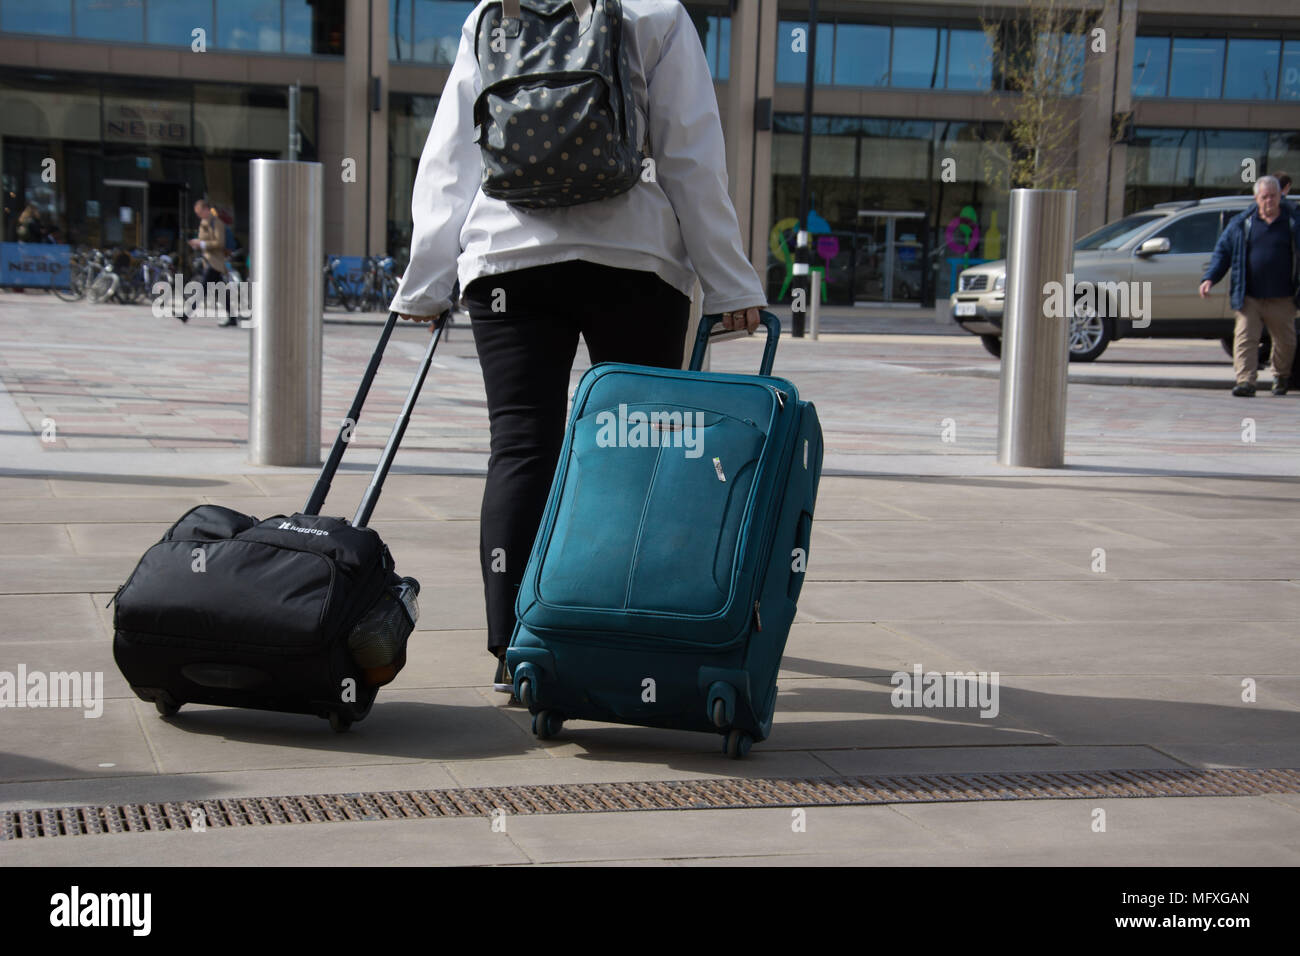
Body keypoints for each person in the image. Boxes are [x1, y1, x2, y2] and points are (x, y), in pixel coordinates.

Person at [389, 0, 767, 698]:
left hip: (508, 260)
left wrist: (425, 284)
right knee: (640, 454)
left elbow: (451, 155)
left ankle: (513, 648)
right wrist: (727, 281)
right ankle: (625, 634)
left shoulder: (493, 12)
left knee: (523, 445)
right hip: (634, 261)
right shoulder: (657, 11)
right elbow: (689, 152)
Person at [1199, 176, 1299, 396]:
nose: (1269, 201)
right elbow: (1222, 252)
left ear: (1280, 196)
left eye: (1273, 196)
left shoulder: (1294, 222)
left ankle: (1280, 377)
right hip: (1249, 295)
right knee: (1245, 338)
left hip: (1283, 296)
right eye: (1265, 197)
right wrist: (1209, 278)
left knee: (1286, 342)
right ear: (1256, 198)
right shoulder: (1242, 223)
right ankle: (1246, 381)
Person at [185, 197, 236, 326]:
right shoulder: (204, 222)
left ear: (206, 210)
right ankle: (233, 318)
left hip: (215, 262)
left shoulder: (216, 222)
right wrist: (197, 244)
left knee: (202, 288)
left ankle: (186, 314)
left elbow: (219, 242)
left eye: (200, 212)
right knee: (221, 290)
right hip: (208, 261)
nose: (199, 215)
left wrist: (201, 244)